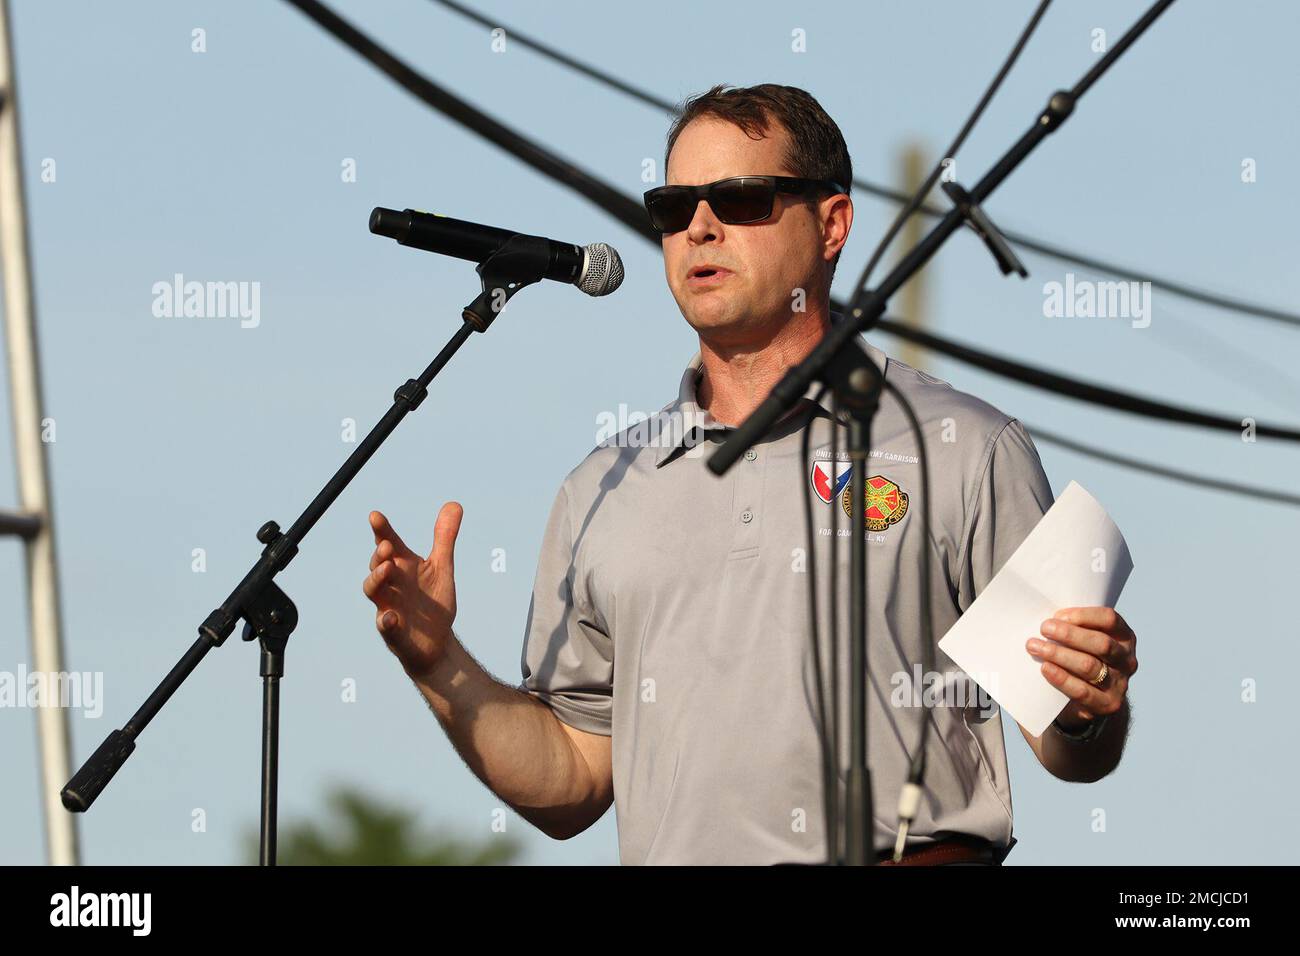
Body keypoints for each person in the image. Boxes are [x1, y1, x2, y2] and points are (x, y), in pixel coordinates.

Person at [361, 83, 1139, 865]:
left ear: (832, 223)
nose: (699, 227)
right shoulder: (603, 487)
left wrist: (1085, 710)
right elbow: (572, 778)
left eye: (739, 199)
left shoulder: (966, 446)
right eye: (673, 207)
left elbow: (1070, 744)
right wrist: (438, 662)